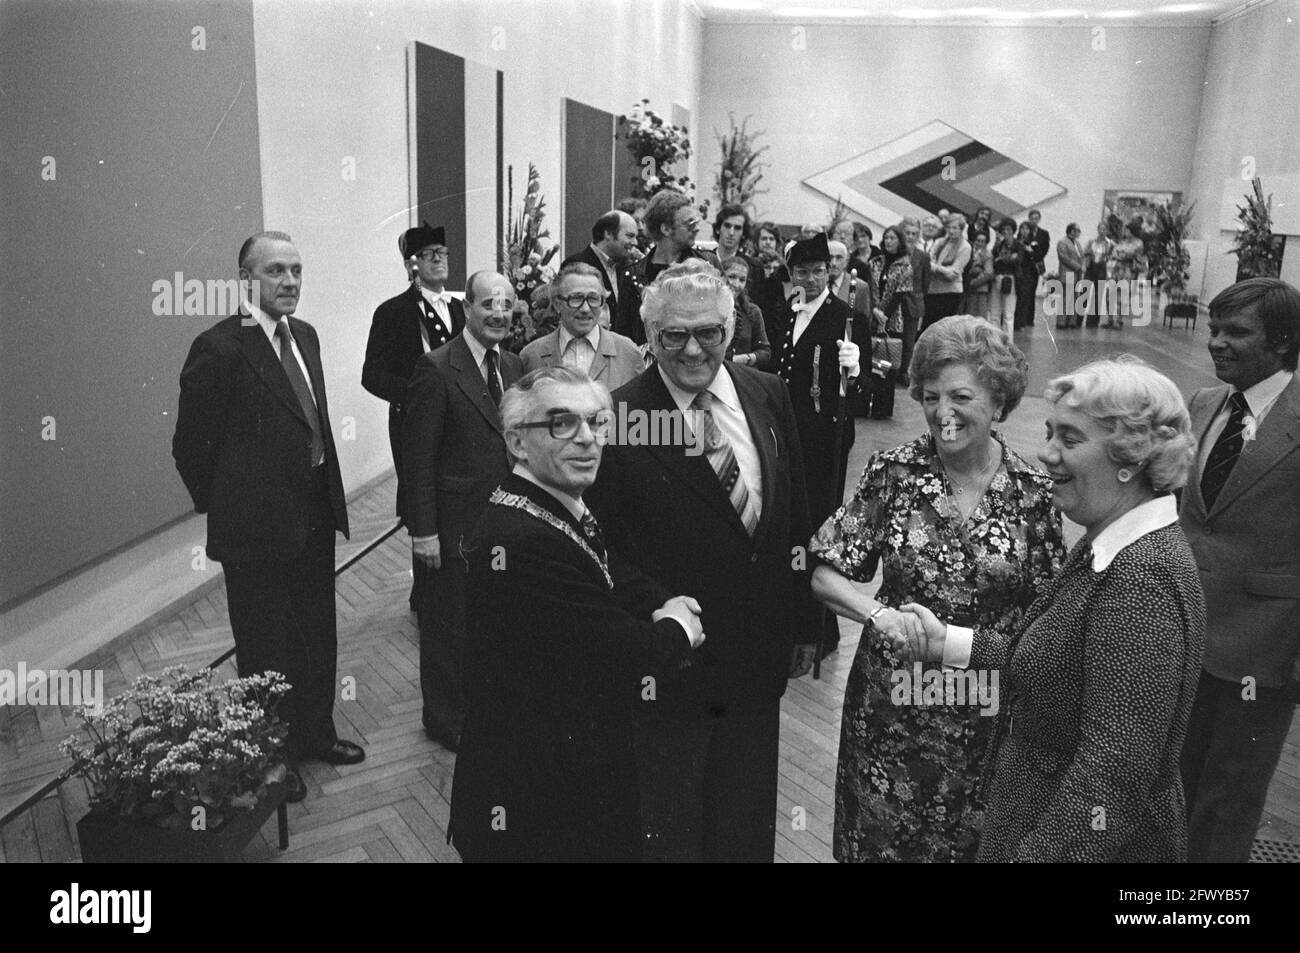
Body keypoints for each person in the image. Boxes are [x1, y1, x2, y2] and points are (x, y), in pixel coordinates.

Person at [898, 357, 1205, 862]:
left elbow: (1112, 778)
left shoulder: (1142, 580)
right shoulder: (1109, 543)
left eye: (1070, 438)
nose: (1047, 454)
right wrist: (946, 641)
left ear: (1130, 455)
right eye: (1049, 433)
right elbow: (1057, 661)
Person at [586, 264, 821, 862]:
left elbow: (795, 517)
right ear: (651, 336)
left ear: (732, 328)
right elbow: (603, 547)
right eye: (674, 335)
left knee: (745, 823)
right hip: (675, 669)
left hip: (758, 658)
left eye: (709, 332)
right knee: (675, 825)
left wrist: (805, 623)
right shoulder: (619, 418)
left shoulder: (766, 392)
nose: (693, 349)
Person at [810, 316, 1062, 861]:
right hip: (892, 708)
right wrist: (878, 615)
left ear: (999, 401)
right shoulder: (893, 473)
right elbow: (824, 571)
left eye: (960, 396)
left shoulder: (1034, 492)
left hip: (985, 713)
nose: (942, 413)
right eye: (929, 396)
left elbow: (1050, 613)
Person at [448, 367, 705, 862]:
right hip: (539, 803)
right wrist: (678, 625)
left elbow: (603, 568)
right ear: (518, 442)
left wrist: (658, 600)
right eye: (562, 423)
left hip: (553, 777)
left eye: (596, 422)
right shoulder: (520, 542)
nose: (587, 439)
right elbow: (630, 657)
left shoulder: (544, 502)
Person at [172, 231, 364, 803]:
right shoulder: (221, 347)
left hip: (312, 516)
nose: (290, 282)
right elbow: (190, 446)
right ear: (246, 280)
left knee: (316, 632)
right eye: (276, 270)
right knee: (266, 648)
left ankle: (315, 734)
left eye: (297, 270)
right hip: (254, 532)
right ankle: (273, 758)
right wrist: (230, 505)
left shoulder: (304, 335)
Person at [1179, 278, 1300, 863]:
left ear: (1281, 342)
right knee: (1170, 788)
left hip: (1262, 651)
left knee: (1228, 802)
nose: (1217, 343)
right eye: (1214, 329)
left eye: (1236, 332)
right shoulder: (1204, 405)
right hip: (1181, 641)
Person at [402, 271, 523, 751]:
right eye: (489, 303)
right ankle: (445, 719)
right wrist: (424, 531)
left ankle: (486, 707)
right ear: (467, 308)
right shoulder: (435, 368)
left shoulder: (513, 365)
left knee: (490, 621)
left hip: (503, 522)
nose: (498, 313)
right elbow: (418, 459)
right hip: (452, 526)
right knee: (447, 627)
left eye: (507, 305)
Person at [771, 234, 868, 654]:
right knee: (789, 521)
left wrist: (857, 368)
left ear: (831, 272)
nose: (810, 280)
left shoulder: (846, 318)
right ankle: (790, 614)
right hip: (784, 433)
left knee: (817, 526)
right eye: (801, 272)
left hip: (823, 437)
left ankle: (820, 626)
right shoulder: (786, 312)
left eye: (818, 271)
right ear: (791, 274)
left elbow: (861, 397)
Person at [362, 222, 465, 613]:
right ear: (412, 265)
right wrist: (420, 395)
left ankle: (454, 587)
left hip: (460, 425)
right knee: (422, 499)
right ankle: (424, 595)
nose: (440, 261)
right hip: (413, 425)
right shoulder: (391, 313)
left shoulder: (460, 309)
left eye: (444, 254)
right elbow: (371, 375)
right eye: (430, 255)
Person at [520, 263, 643, 390]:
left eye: (593, 298)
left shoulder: (628, 353)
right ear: (557, 304)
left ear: (603, 303)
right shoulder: (532, 356)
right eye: (576, 298)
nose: (585, 308)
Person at [562, 210, 642, 342]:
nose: (635, 243)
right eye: (629, 236)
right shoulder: (577, 264)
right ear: (608, 234)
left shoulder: (625, 267)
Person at [629, 190, 720, 293]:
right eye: (690, 224)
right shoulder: (634, 275)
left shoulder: (708, 261)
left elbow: (727, 305)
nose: (697, 229)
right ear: (666, 229)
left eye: (696, 222)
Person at [865, 226, 913, 420]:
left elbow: (901, 293)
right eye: (886, 237)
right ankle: (869, 401)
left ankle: (883, 407)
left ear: (900, 241)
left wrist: (884, 314)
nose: (888, 241)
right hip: (873, 315)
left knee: (886, 364)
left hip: (893, 320)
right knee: (873, 360)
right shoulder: (875, 262)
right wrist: (875, 311)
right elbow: (869, 287)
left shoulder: (905, 266)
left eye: (892, 238)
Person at [722, 257, 771, 370]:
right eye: (732, 277)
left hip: (743, 374)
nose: (736, 284)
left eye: (742, 280)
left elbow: (765, 352)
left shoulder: (752, 311)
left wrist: (743, 359)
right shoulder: (709, 309)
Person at [899, 216, 931, 387]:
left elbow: (926, 283)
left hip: (914, 303)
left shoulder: (923, 256)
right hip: (896, 304)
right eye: (907, 233)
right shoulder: (898, 253)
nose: (910, 236)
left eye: (914, 233)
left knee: (910, 340)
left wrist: (917, 297)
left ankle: (906, 372)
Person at [925, 214, 971, 329]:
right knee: (928, 326)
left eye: (954, 228)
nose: (951, 231)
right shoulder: (940, 242)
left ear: (961, 229)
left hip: (950, 292)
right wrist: (939, 268)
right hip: (933, 290)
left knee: (945, 328)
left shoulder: (965, 247)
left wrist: (934, 267)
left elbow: (952, 274)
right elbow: (928, 261)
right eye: (949, 227)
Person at [1106, 218, 1147, 329]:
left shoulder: (1139, 243)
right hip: (1117, 269)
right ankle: (1110, 319)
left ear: (1132, 231)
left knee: (1122, 295)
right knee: (1110, 293)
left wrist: (1121, 253)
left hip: (1128, 270)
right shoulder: (1123, 242)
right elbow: (1115, 253)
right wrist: (1120, 253)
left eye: (1127, 230)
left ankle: (1119, 320)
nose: (1125, 232)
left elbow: (1129, 253)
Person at [1083, 221, 1116, 329]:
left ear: (1107, 231)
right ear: (1098, 230)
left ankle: (1092, 321)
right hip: (1091, 267)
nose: (1102, 231)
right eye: (1100, 229)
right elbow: (1085, 252)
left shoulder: (1111, 244)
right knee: (1084, 292)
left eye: (1104, 229)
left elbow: (1112, 258)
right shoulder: (1091, 241)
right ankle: (1077, 319)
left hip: (1102, 268)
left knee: (1098, 294)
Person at [990, 218, 1020, 331]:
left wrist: (1001, 259)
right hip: (997, 278)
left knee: (1008, 314)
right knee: (994, 314)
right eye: (1003, 229)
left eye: (1008, 229)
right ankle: (994, 341)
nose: (1006, 232)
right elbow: (993, 259)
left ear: (1013, 230)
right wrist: (1007, 258)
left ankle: (1008, 343)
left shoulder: (1018, 245)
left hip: (1010, 279)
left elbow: (1018, 261)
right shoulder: (998, 245)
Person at [1056, 223, 1085, 328]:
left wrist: (1083, 266)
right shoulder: (1063, 242)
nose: (1079, 233)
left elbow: (1081, 256)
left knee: (1075, 297)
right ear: (1072, 231)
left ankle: (1071, 321)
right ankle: (1061, 322)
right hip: (1067, 272)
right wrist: (1078, 266)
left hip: (1077, 274)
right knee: (1066, 298)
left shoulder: (1077, 243)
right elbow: (1064, 257)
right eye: (1078, 231)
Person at [1012, 220, 1040, 331]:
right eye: (1022, 228)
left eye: (1026, 229)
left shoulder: (1033, 243)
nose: (1024, 231)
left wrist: (1030, 251)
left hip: (1027, 272)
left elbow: (1038, 256)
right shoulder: (1016, 241)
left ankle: (1020, 322)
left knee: (1024, 298)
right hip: (1015, 271)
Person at [962, 231, 994, 321]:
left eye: (982, 241)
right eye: (978, 240)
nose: (980, 243)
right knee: (968, 316)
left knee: (980, 318)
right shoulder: (969, 252)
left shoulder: (987, 255)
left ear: (986, 243)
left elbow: (988, 274)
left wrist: (973, 283)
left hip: (980, 289)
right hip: (968, 290)